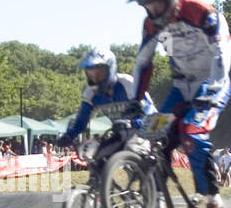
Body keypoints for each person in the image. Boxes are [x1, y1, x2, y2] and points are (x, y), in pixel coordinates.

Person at [127, 0, 231, 208]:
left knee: (191, 131)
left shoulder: (201, 12)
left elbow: (222, 51)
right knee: (153, 139)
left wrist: (213, 88)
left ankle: (213, 198)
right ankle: (157, 203)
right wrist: (134, 101)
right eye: (147, 4)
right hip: (180, 87)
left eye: (156, 1)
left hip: (211, 82)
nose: (152, 8)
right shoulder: (151, 25)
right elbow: (143, 63)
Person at [54, 46, 156, 175]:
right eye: (91, 75)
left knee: (133, 148)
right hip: (121, 132)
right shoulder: (91, 94)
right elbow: (81, 119)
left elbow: (150, 113)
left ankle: (155, 189)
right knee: (97, 156)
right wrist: (69, 135)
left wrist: (134, 123)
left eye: (99, 74)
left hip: (148, 129)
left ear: (111, 69)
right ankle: (98, 192)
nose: (95, 79)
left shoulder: (128, 84)